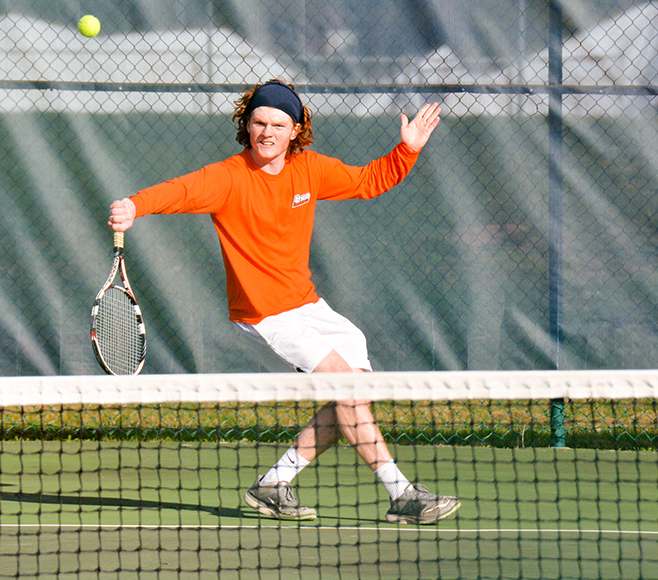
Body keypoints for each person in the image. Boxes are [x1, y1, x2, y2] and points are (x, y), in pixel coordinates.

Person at [108, 79, 460, 525]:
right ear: (247, 125)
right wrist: (135, 206)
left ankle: (274, 484)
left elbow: (369, 181)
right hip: (265, 314)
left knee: (352, 395)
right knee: (348, 391)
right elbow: (178, 190)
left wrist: (406, 150)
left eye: (278, 123)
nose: (267, 132)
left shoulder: (309, 169)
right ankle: (402, 494)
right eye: (259, 122)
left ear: (296, 129)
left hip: (308, 305)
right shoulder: (227, 177)